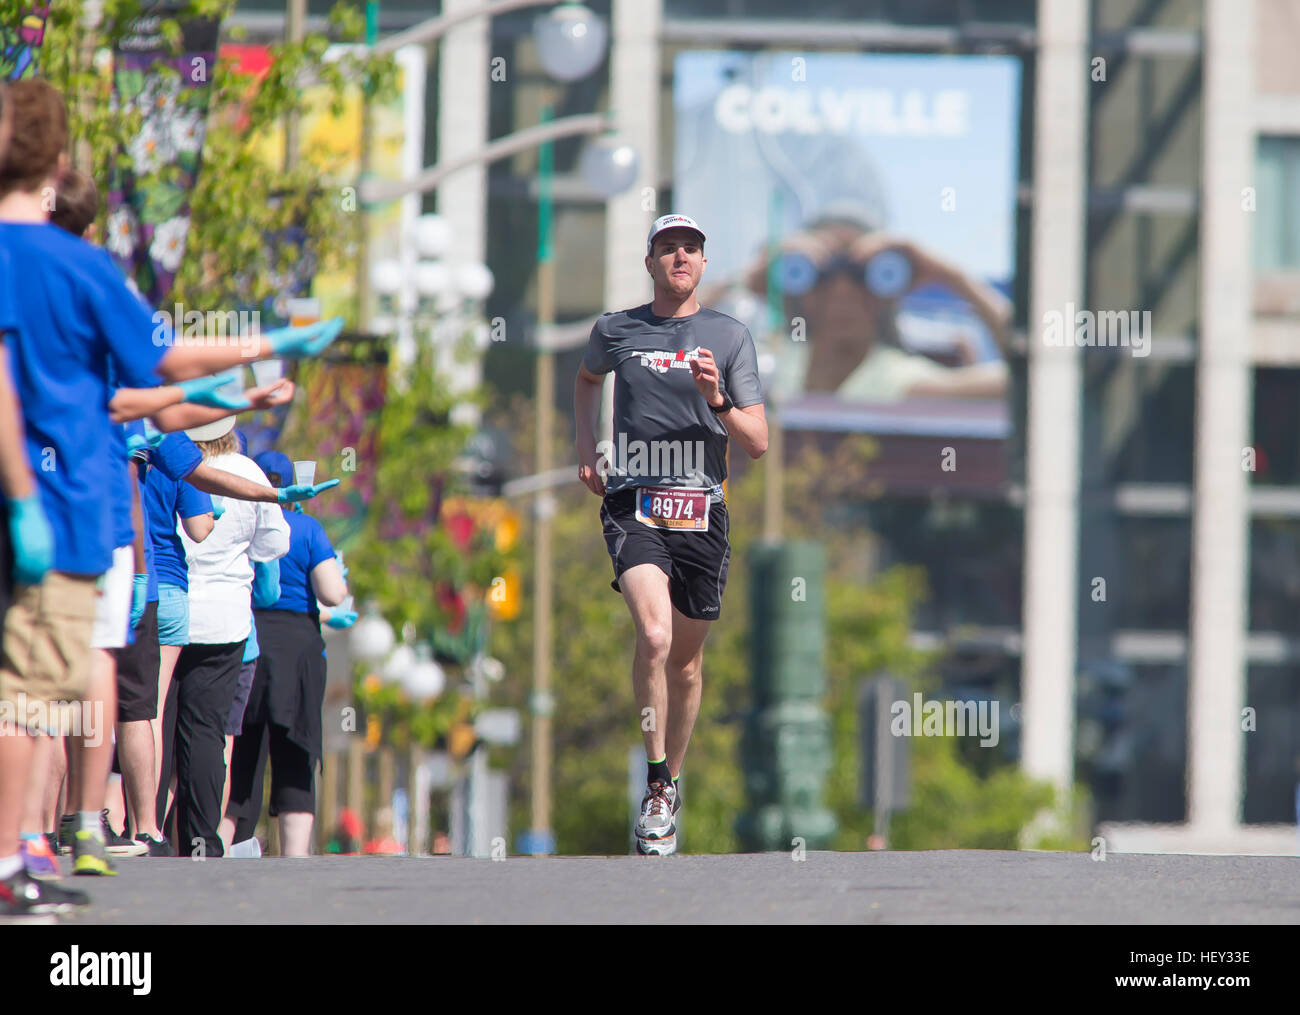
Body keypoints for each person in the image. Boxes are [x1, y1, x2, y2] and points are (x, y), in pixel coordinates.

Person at [574, 214, 767, 855]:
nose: (679, 258)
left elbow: (758, 443)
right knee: (653, 636)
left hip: (702, 509)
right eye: (667, 249)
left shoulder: (730, 337)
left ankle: (672, 781)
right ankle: (655, 781)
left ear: (704, 264)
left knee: (685, 663)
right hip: (634, 500)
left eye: (690, 249)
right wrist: (586, 445)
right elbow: (586, 378)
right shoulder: (616, 329)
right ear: (651, 262)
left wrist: (717, 399)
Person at [161, 416, 288, 858]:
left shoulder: (163, 463)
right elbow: (274, 545)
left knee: (155, 723)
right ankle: (200, 840)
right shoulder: (249, 472)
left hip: (169, 607)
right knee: (206, 734)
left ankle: (147, 831)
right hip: (225, 620)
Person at [226, 450, 351, 857]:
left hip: (245, 642)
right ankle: (293, 859)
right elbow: (332, 593)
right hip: (297, 651)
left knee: (241, 751)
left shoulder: (238, 523)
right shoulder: (307, 528)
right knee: (295, 749)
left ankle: (220, 846)